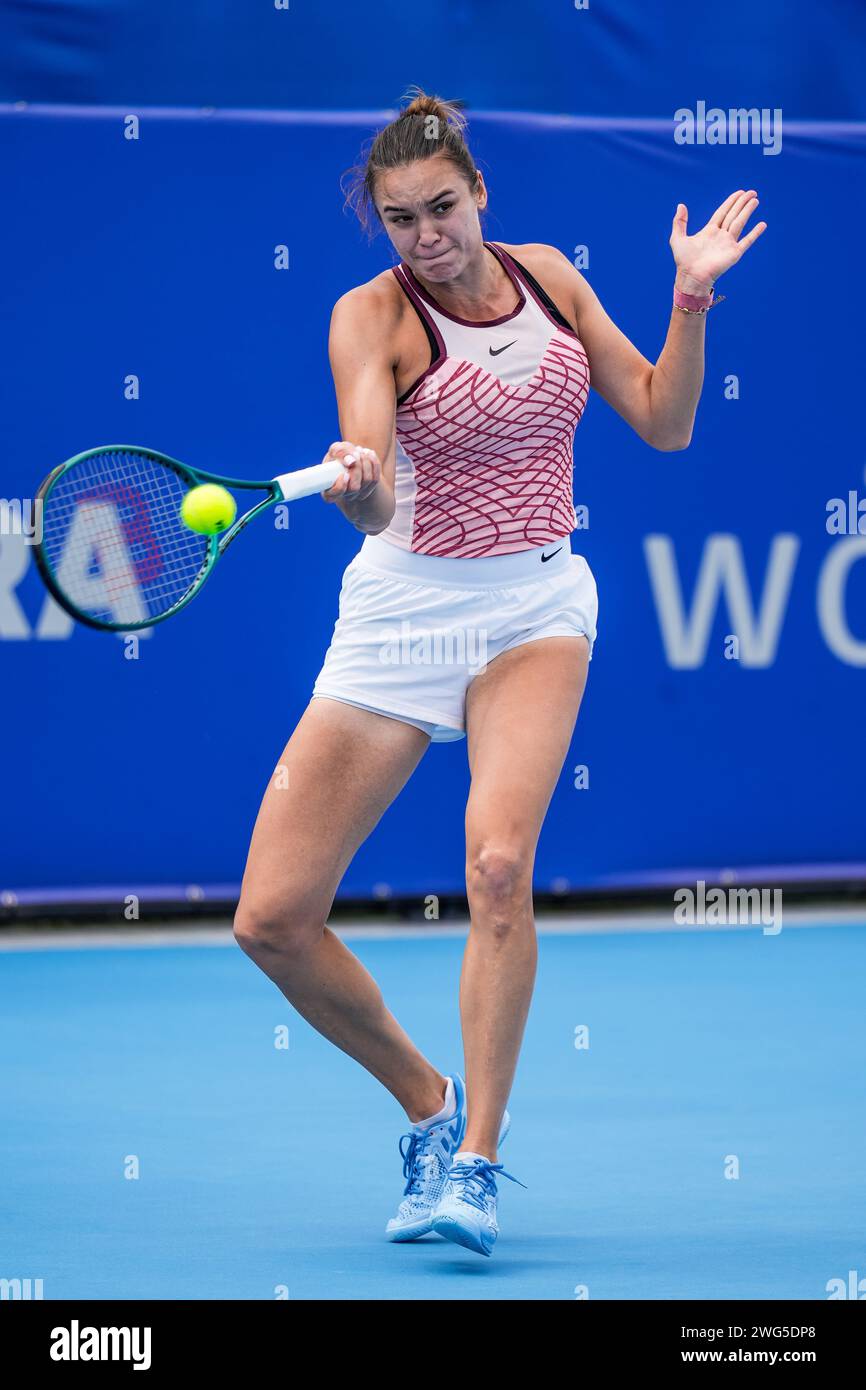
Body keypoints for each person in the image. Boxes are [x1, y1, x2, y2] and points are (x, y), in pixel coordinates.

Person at [233, 86, 766, 1257]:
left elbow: (663, 419)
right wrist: (362, 475)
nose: (425, 235)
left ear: (479, 194)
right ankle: (430, 1107)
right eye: (399, 218)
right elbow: (369, 492)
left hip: (531, 605)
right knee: (270, 919)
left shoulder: (548, 281)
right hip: (400, 615)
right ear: (379, 223)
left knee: (497, 863)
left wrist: (690, 295)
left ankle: (475, 1168)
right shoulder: (366, 316)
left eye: (441, 208)